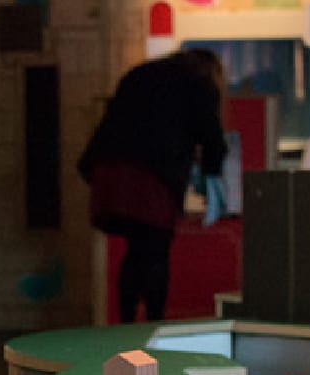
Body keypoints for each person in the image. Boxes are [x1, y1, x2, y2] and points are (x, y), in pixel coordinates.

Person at [77, 48, 227, 323]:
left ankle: (125, 323)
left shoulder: (140, 74)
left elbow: (109, 124)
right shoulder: (199, 84)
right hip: (150, 180)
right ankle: (155, 321)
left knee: (135, 249)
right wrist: (213, 179)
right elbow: (212, 139)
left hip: (111, 174)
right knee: (156, 249)